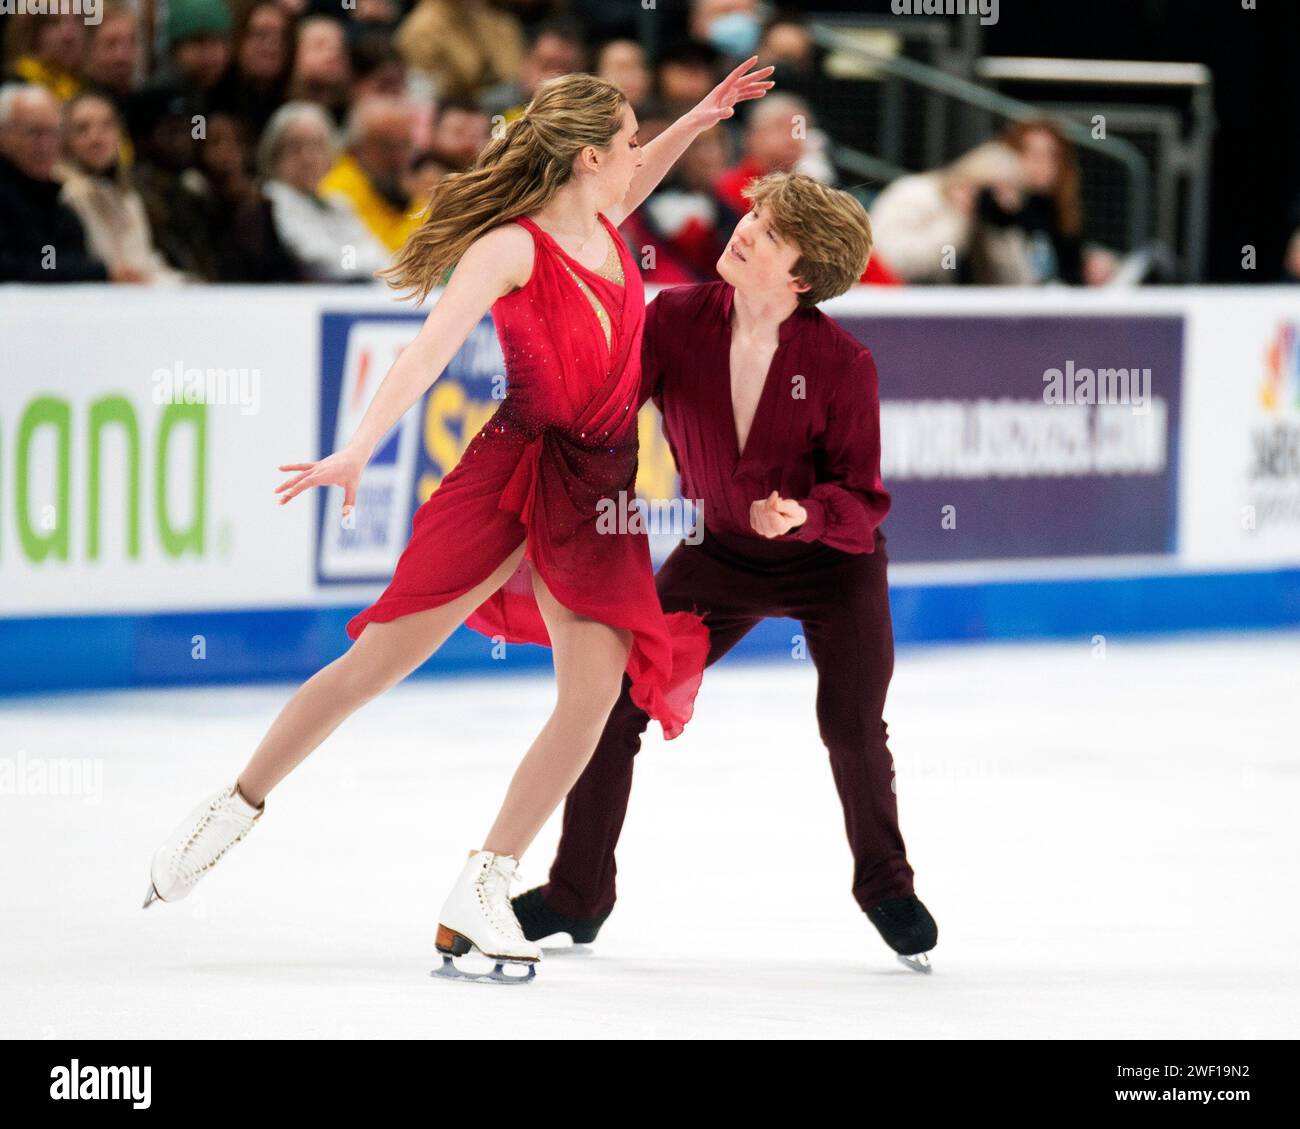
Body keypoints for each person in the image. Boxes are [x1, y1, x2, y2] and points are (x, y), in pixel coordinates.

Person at [143, 60, 776, 985]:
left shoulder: (606, 216)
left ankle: (483, 885)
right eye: (631, 139)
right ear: (590, 155)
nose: (641, 153)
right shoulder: (511, 248)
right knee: (375, 665)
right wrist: (359, 446)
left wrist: (702, 114)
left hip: (598, 492)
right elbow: (426, 352)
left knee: (594, 696)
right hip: (511, 473)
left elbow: (645, 170)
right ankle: (233, 805)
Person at [512, 171, 940, 972]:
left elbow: (865, 500)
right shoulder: (675, 319)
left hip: (830, 566)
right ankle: (578, 893)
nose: (745, 230)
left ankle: (885, 883)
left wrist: (805, 515)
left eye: (771, 234)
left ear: (803, 276)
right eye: (754, 214)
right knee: (613, 703)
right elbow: (611, 402)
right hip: (721, 555)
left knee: (852, 729)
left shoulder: (843, 365)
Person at [59, 91, 183, 284]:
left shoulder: (129, 198)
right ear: (65, 139)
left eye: (106, 127)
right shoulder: (65, 197)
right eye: (82, 129)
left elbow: (145, 263)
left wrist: (186, 285)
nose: (96, 139)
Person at [260, 101, 392, 281]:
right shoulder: (271, 200)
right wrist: (359, 260)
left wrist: (354, 259)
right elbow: (320, 262)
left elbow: (378, 255)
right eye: (295, 146)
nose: (307, 157)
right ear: (274, 152)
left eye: (316, 146)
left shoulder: (337, 203)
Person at [0, 83, 108, 283]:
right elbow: (11, 268)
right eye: (34, 133)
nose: (45, 145)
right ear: (3, 135)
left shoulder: (58, 208)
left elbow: (54, 264)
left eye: (53, 133)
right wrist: (96, 271)